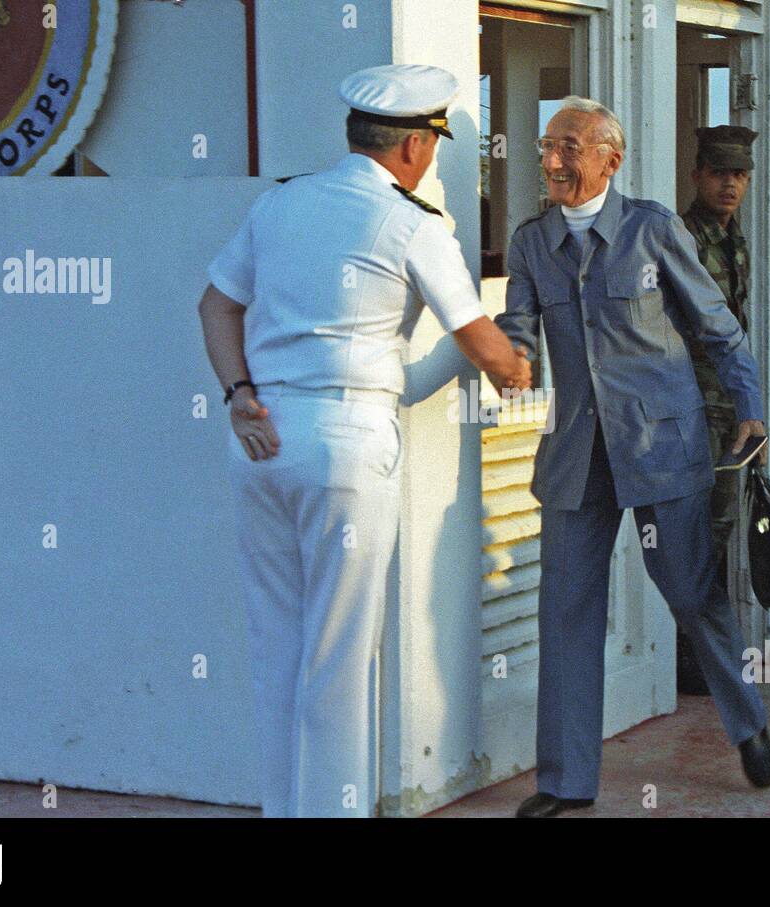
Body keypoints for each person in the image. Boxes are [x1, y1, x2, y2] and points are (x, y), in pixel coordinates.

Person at [197, 63, 530, 817]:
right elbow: (476, 338)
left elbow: (215, 307)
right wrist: (514, 365)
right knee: (341, 658)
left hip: (263, 438)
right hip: (346, 445)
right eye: (434, 143)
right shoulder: (414, 224)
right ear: (414, 146)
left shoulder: (280, 203)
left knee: (276, 647)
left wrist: (238, 393)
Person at [494, 97, 770, 819]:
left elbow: (718, 328)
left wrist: (749, 408)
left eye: (570, 148)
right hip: (578, 453)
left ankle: (745, 717)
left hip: (662, 444)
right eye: (547, 147)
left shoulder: (653, 231)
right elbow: (517, 325)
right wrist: (511, 358)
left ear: (610, 160)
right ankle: (565, 781)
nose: (553, 161)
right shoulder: (530, 242)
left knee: (688, 590)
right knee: (566, 610)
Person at [677, 124, 760, 694]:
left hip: (727, 407)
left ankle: (710, 654)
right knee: (698, 533)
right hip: (694, 407)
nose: (730, 184)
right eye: (720, 174)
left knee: (723, 527)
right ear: (698, 175)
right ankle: (692, 661)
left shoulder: (734, 238)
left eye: (740, 176)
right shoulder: (682, 237)